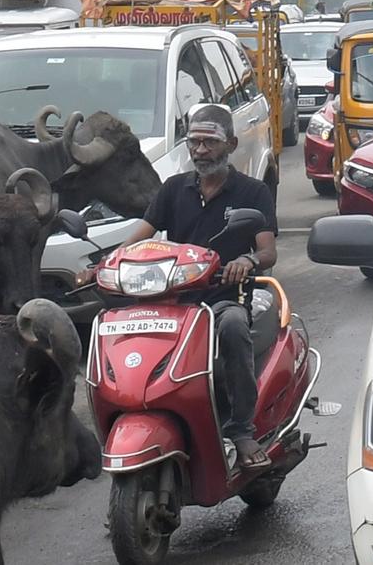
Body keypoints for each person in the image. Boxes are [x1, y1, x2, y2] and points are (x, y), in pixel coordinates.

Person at [77, 104, 277, 470]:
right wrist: (102, 265)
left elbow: (268, 252)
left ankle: (242, 429)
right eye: (194, 142)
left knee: (233, 328)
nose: (200, 150)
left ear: (230, 144)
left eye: (209, 142)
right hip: (171, 299)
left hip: (222, 298)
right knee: (116, 330)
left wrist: (245, 262)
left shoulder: (253, 192)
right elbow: (139, 239)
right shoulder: (173, 189)